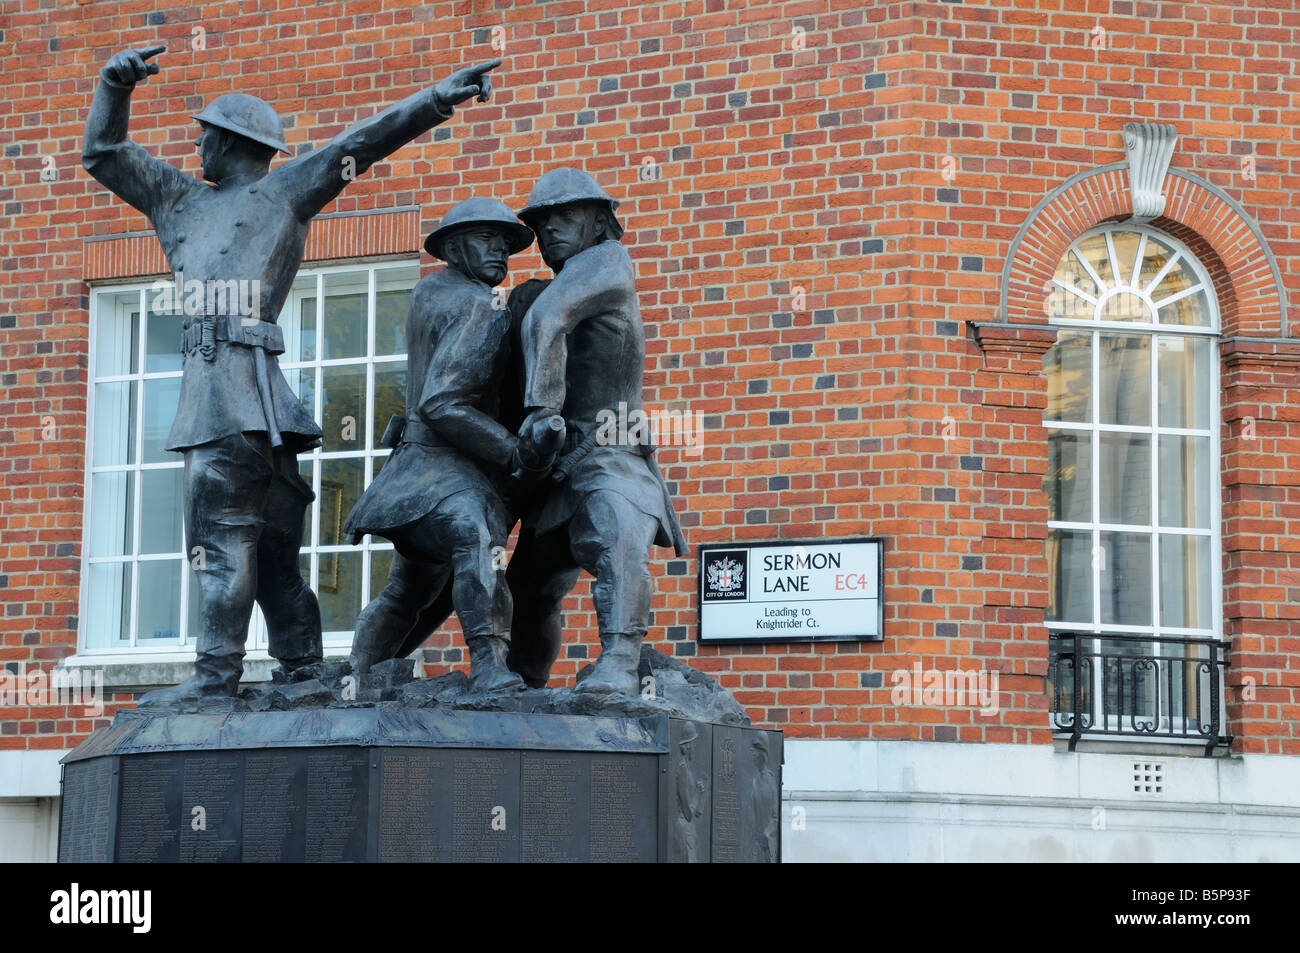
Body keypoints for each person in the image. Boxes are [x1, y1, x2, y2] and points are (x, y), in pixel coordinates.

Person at [82, 43, 500, 701]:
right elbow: (104, 154)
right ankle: (303, 665)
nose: (198, 148)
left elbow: (362, 140)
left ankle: (217, 677)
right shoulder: (175, 198)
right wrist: (115, 87)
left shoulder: (284, 192)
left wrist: (435, 99)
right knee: (274, 552)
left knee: (227, 546)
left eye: (207, 137)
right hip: (259, 413)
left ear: (235, 142)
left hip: (231, 405)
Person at [344, 198, 548, 693]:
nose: (499, 252)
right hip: (450, 469)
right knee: (476, 541)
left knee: (406, 590)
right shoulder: (481, 304)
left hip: (412, 468)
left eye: (505, 244)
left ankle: (355, 679)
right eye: (486, 240)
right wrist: (512, 450)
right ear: (454, 247)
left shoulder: (428, 291)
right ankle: (489, 667)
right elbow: (443, 403)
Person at [505, 167, 688, 695]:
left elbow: (548, 321)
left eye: (567, 217)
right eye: (542, 224)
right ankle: (524, 686)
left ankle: (621, 663)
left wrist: (539, 413)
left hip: (608, 450)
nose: (552, 230)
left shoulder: (605, 262)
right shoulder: (559, 281)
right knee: (530, 586)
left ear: (599, 221)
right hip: (566, 460)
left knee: (616, 542)